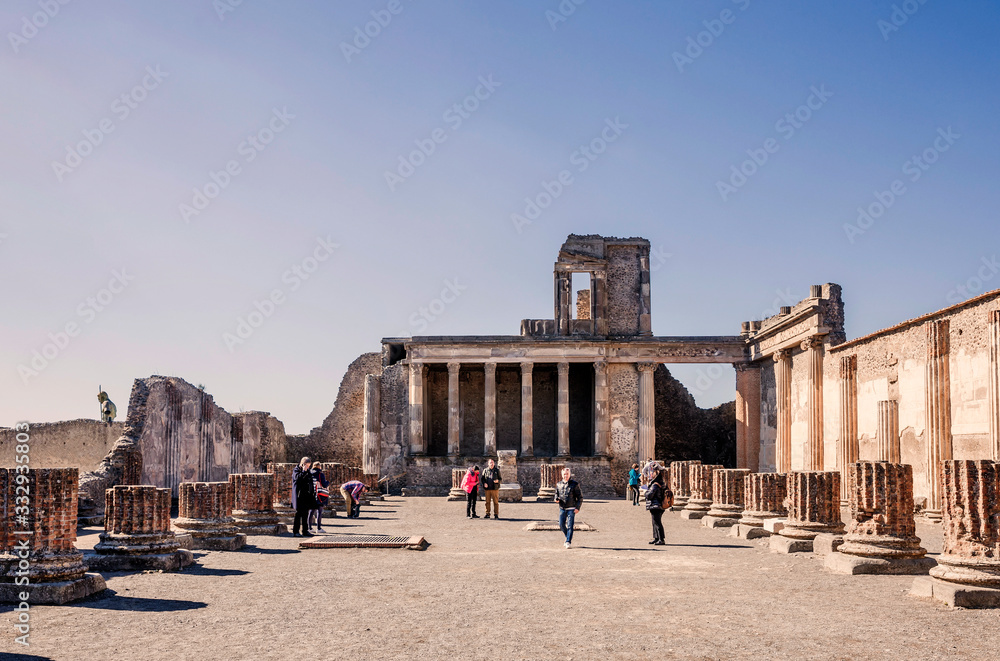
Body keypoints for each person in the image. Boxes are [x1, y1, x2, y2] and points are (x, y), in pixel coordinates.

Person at [555, 467, 583, 549]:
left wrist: (577, 507)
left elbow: (580, 497)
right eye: (564, 474)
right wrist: (556, 499)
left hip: (571, 507)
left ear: (570, 474)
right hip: (562, 507)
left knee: (570, 525)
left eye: (567, 474)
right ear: (562, 475)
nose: (565, 476)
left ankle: (568, 541)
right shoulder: (559, 484)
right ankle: (568, 536)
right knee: (561, 524)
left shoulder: (574, 484)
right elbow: (556, 494)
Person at [645, 468, 673, 546]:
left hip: (655, 505)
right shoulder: (662, 483)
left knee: (657, 522)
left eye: (652, 473)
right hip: (659, 505)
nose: (651, 474)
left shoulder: (655, 485)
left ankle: (661, 539)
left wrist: (645, 492)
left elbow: (649, 495)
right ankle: (656, 538)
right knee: (655, 522)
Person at [291, 456, 317, 537]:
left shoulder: (308, 471)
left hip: (306, 495)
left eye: (309, 466)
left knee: (305, 513)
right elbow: (297, 479)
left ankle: (305, 530)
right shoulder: (296, 470)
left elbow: (309, 481)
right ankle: (296, 531)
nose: (308, 467)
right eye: (307, 465)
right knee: (298, 514)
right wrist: (303, 471)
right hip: (299, 496)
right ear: (303, 464)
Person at [308, 463, 330, 533]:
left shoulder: (309, 473)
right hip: (319, 494)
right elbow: (324, 484)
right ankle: (319, 528)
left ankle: (309, 527)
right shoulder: (320, 474)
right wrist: (328, 482)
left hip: (311, 494)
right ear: (319, 467)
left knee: (311, 511)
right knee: (319, 511)